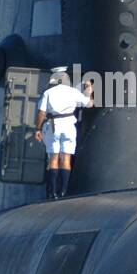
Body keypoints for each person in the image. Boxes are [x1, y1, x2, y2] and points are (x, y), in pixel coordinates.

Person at [36, 68, 94, 200]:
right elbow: (89, 104)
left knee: (54, 159)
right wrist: (89, 91)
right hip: (69, 126)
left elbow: (41, 112)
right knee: (66, 159)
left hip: (53, 125)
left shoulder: (48, 93)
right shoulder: (73, 92)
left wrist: (38, 129)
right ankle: (63, 192)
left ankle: (53, 193)